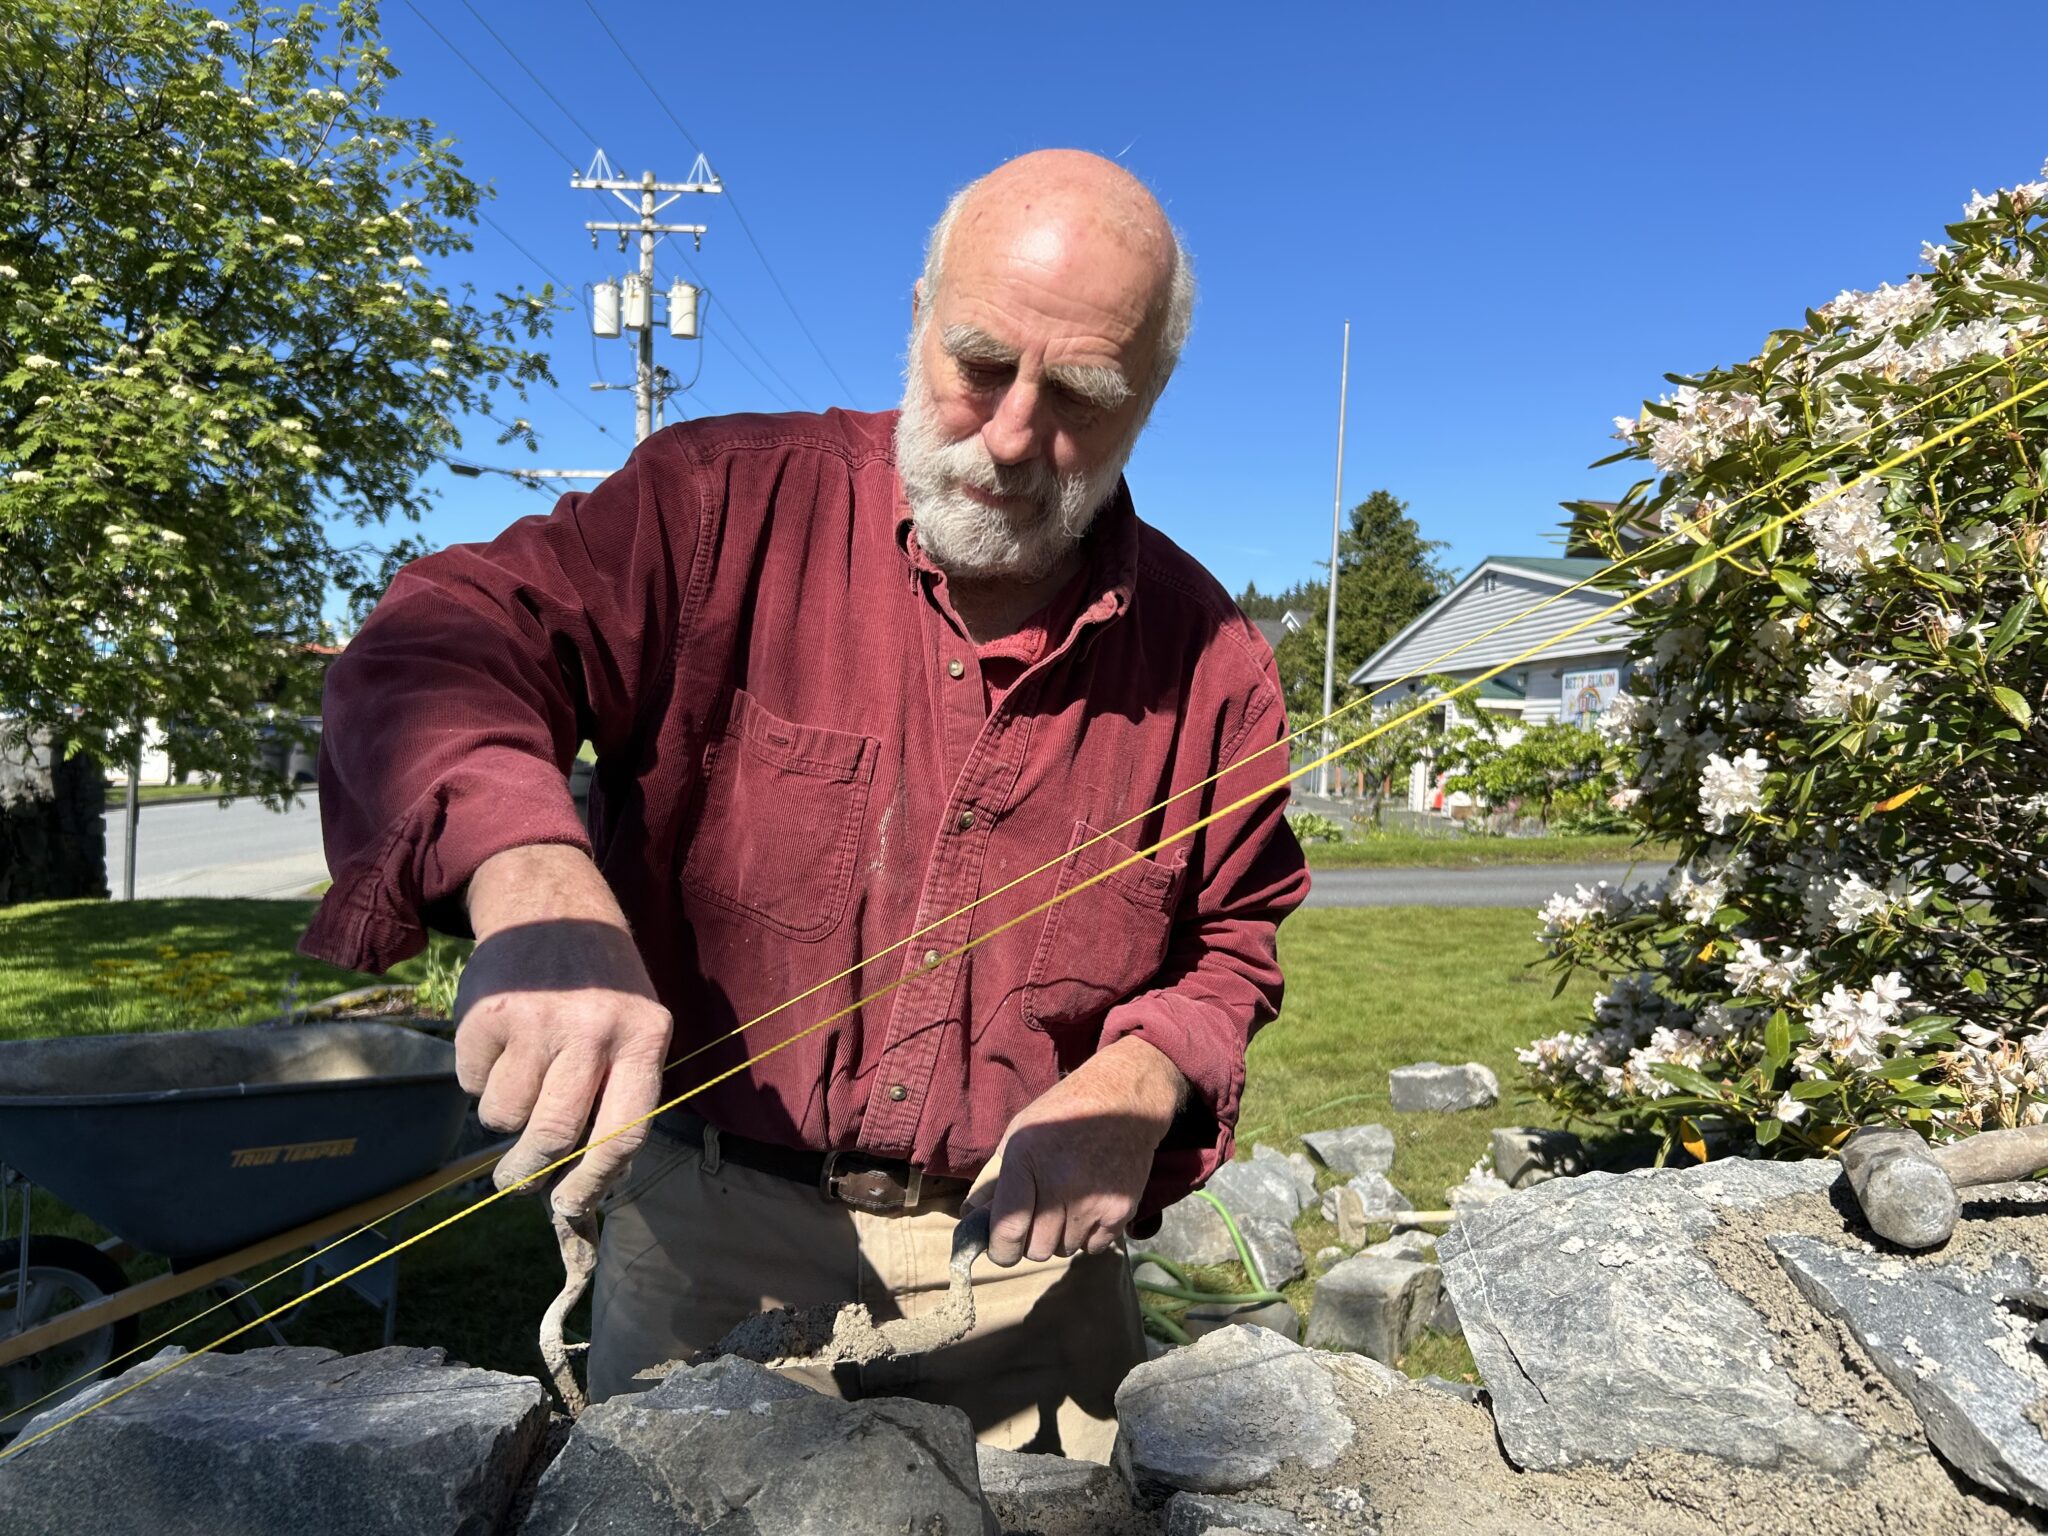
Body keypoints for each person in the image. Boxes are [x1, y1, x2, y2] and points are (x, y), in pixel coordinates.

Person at [302, 148, 1309, 1460]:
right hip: (705, 1238)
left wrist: (1144, 1068)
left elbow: (1235, 946)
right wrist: (528, 870)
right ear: (915, 319)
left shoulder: (1214, 666)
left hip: (1029, 1275)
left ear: (1153, 398)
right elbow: (441, 636)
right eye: (980, 362)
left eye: (1079, 396)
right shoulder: (716, 508)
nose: (1011, 437)